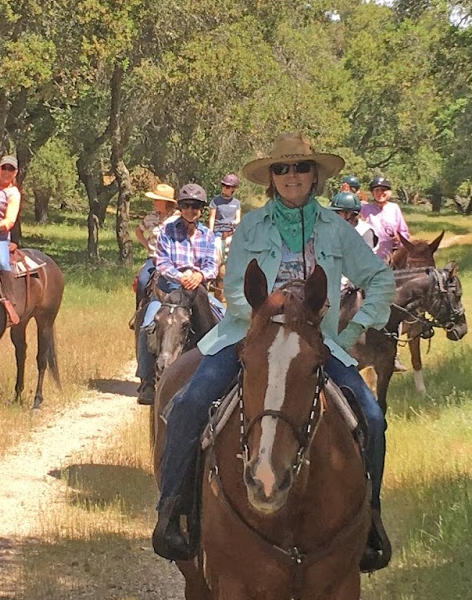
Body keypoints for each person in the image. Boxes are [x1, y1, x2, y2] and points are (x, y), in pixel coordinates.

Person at [152, 134, 398, 573]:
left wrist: (353, 330)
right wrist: (266, 322)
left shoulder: (336, 229)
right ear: (271, 178)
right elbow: (233, 288)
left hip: (316, 343)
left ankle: (371, 524)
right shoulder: (251, 227)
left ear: (314, 176)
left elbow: (379, 278)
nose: (291, 176)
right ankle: (174, 513)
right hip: (249, 334)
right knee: (189, 403)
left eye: (300, 168)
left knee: (373, 418)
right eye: (281, 170)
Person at [136, 183, 224, 404]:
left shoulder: (208, 236)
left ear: (201, 209)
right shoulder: (167, 230)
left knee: (224, 319)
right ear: (181, 207)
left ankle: (223, 377)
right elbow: (162, 262)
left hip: (197, 292)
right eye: (186, 205)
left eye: (195, 206)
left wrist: (200, 276)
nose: (190, 210)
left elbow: (212, 264)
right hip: (169, 291)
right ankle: (147, 381)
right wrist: (180, 276)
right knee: (148, 325)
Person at [134, 183, 177, 298]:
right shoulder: (150, 216)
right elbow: (138, 231)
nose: (154, 202)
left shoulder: (178, 218)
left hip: (173, 261)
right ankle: (140, 311)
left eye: (157, 200)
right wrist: (147, 246)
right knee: (142, 281)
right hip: (153, 259)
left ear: (166, 202)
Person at [360, 176, 411, 261]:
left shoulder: (394, 208)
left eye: (383, 190)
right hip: (370, 256)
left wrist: (399, 238)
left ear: (389, 192)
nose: (380, 193)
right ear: (372, 193)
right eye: (377, 190)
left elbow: (404, 232)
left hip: (392, 256)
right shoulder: (365, 209)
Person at [209, 173, 242, 261]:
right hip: (218, 232)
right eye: (223, 185)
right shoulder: (215, 200)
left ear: (233, 189)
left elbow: (238, 218)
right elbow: (212, 217)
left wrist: (235, 222)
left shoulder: (236, 203)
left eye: (227, 186)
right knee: (216, 249)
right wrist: (210, 233)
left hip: (231, 232)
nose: (224, 188)